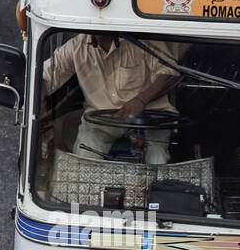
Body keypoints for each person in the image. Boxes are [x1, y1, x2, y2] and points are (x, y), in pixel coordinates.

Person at [42, 34, 183, 165]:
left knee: (157, 159)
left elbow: (170, 73)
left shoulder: (143, 39)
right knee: (85, 157)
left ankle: (156, 190)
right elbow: (44, 76)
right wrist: (39, 101)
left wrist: (141, 100)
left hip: (152, 114)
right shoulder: (77, 46)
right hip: (102, 117)